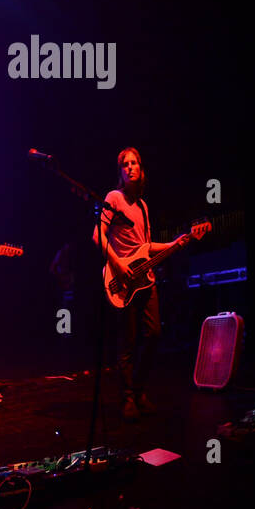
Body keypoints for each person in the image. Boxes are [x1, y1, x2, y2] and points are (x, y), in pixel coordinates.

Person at [92, 147, 181, 420]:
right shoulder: (114, 198)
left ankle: (140, 390)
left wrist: (175, 244)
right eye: (125, 164)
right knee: (128, 342)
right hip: (124, 280)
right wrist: (118, 265)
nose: (130, 167)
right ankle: (129, 398)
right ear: (120, 171)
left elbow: (145, 246)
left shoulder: (142, 205)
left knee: (154, 334)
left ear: (141, 169)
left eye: (134, 163)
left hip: (147, 280)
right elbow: (98, 235)